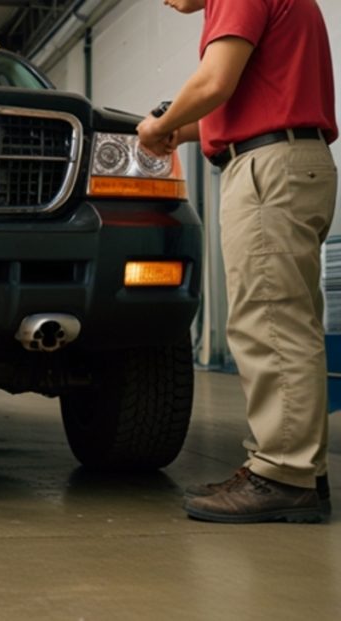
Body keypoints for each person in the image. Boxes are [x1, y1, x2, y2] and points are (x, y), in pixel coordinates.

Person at [137, 0, 337, 523]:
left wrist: (158, 126)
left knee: (269, 321)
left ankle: (282, 476)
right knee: (288, 321)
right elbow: (242, 101)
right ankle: (300, 470)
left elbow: (213, 84)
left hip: (268, 169)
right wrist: (177, 131)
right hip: (291, 160)